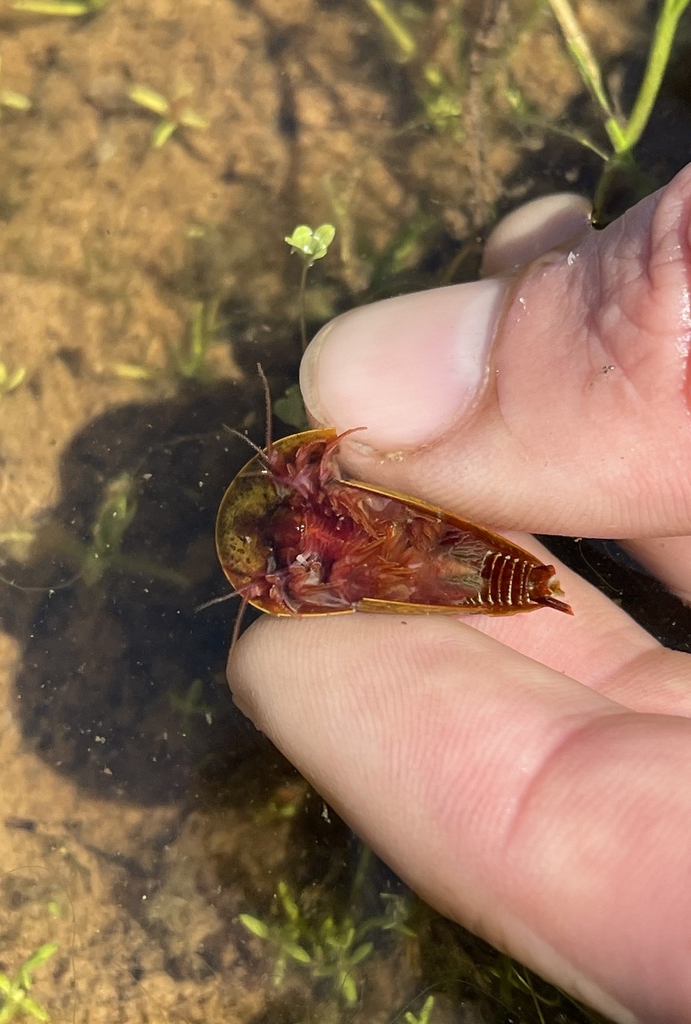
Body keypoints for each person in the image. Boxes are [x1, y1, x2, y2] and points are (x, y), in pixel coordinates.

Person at [228, 164, 691, 1024]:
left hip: (454, 563)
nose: (298, 537)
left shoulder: (323, 542)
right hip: (447, 567)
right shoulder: (328, 545)